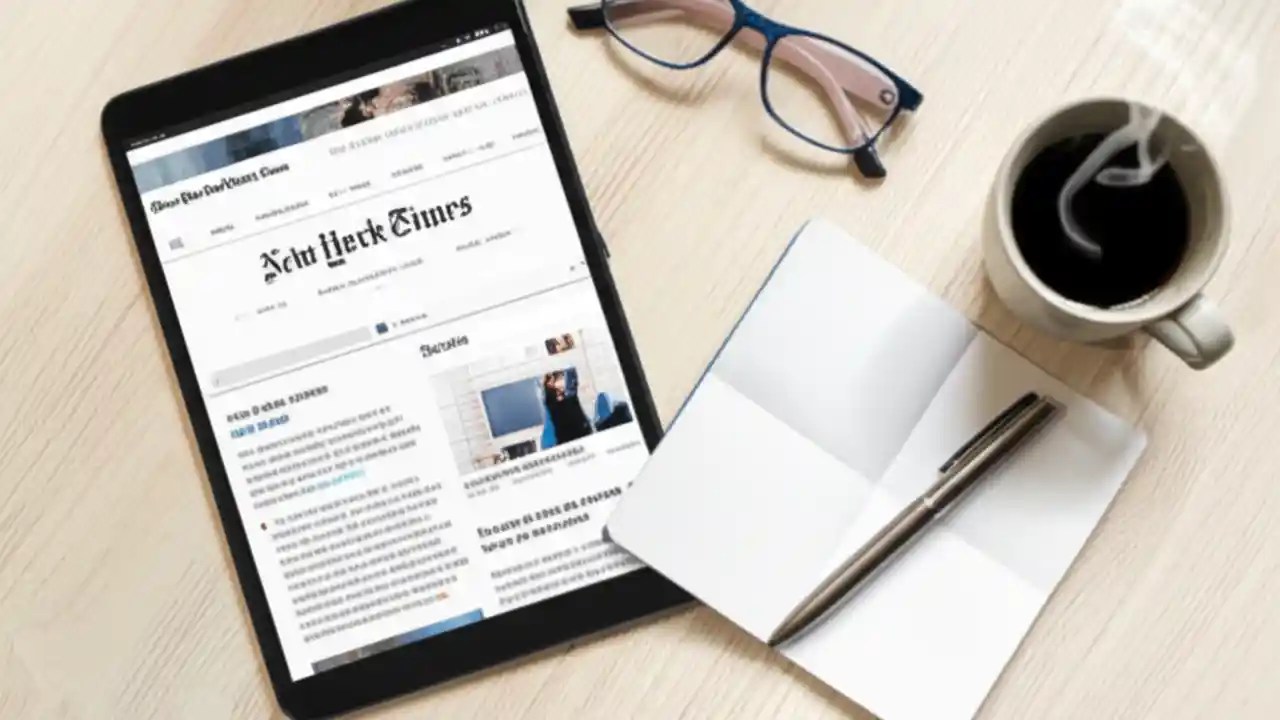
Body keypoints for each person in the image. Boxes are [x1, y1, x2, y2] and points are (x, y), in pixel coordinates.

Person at [542, 369, 592, 445]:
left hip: (580, 433)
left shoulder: (567, 395)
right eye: (561, 378)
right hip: (569, 437)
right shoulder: (552, 401)